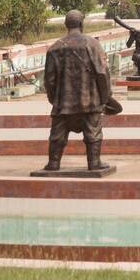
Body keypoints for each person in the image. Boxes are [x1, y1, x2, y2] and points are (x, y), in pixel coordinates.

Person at [41, 9, 111, 173]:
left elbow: (49, 80)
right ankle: (94, 162)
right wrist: (104, 97)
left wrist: (54, 100)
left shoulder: (54, 48)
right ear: (81, 24)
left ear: (66, 25)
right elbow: (102, 74)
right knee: (93, 134)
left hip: (62, 103)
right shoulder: (92, 45)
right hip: (90, 101)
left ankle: (53, 163)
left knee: (57, 136)